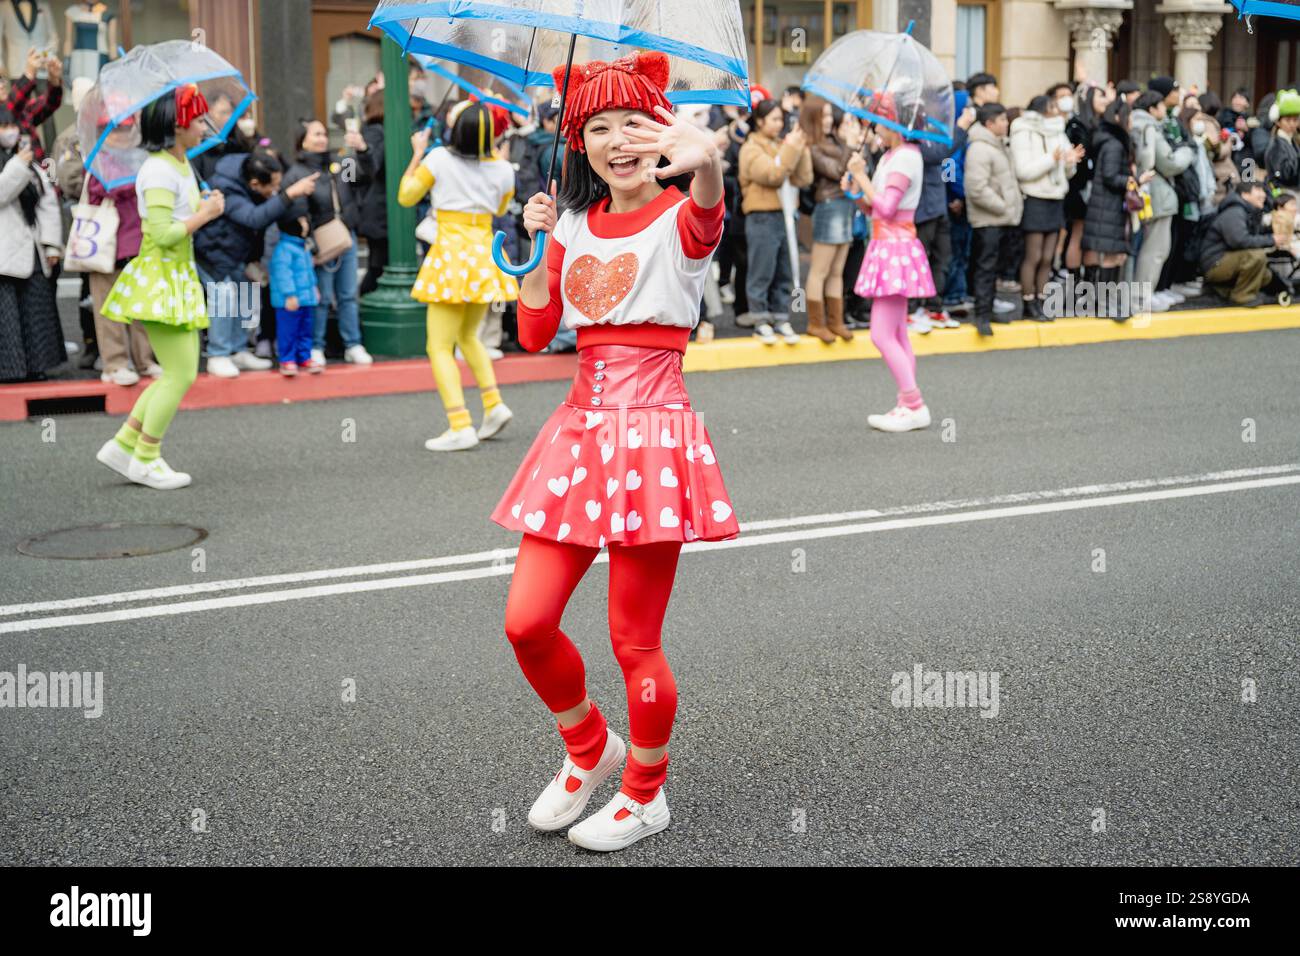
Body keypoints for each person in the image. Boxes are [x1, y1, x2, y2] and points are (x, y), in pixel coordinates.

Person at [492, 51, 740, 852]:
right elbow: (535, 334)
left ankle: (645, 791)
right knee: (527, 623)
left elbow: (707, 211)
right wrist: (531, 251)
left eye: (634, 122)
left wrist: (707, 166)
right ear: (580, 144)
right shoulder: (570, 221)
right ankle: (586, 748)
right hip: (579, 430)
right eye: (598, 127)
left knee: (634, 638)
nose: (618, 140)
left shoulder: (680, 217)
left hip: (655, 435)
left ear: (661, 130)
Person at [94, 86, 226, 490]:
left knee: (175, 372)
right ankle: (146, 457)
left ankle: (124, 445)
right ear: (177, 126)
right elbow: (162, 234)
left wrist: (203, 204)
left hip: (175, 277)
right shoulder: (157, 170)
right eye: (199, 119)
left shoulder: (179, 164)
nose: (205, 126)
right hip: (161, 277)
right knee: (181, 374)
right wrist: (204, 215)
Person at [397, 100, 517, 451]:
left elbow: (406, 196)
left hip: (451, 255)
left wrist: (418, 153)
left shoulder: (438, 160)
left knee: (438, 346)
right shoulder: (504, 170)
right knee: (469, 336)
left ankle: (459, 423)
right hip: (484, 255)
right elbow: (498, 208)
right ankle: (494, 405)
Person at [843, 94, 935, 432]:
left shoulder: (906, 158)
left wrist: (860, 176)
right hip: (889, 246)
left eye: (879, 119)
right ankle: (906, 403)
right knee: (897, 333)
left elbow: (885, 208)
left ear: (895, 122)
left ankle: (913, 404)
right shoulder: (893, 156)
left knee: (881, 335)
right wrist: (856, 186)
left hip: (894, 249)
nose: (875, 126)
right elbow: (873, 208)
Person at [195, 151, 320, 378]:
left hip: (238, 252)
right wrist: (289, 194)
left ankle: (239, 349)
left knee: (247, 292)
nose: (274, 192)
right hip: (213, 252)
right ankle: (218, 354)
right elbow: (254, 218)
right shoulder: (226, 188)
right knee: (223, 296)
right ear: (254, 183)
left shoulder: (247, 176)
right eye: (272, 187)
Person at [282, 118, 376, 368]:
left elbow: (365, 176)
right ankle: (316, 345)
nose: (322, 138)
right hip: (320, 242)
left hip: (346, 237)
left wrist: (363, 151)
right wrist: (310, 237)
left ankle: (353, 343)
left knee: (347, 294)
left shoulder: (339, 163)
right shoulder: (298, 173)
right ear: (302, 140)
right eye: (316, 134)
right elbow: (295, 211)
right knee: (320, 296)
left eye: (324, 133)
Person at [738, 98, 811, 344]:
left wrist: (802, 147)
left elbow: (803, 178)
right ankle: (760, 319)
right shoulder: (751, 148)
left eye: (782, 119)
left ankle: (781, 318)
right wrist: (792, 148)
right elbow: (774, 175)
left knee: (784, 270)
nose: (780, 124)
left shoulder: (782, 144)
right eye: (775, 119)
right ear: (760, 121)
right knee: (762, 270)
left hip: (785, 215)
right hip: (761, 216)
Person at [0, 105, 63, 382]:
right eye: (3, 128)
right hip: (5, 251)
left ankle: (38, 366)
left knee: (36, 307)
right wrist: (17, 167)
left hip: (32, 247)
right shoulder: (18, 164)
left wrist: (51, 244)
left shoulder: (32, 165)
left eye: (12, 127)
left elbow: (48, 203)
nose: (10, 133)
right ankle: (10, 370)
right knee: (8, 314)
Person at [1011, 94, 1082, 319]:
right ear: (1041, 109)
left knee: (1049, 257)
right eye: (1052, 106)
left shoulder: (1058, 131)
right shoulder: (1023, 130)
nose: (1057, 110)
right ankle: (1027, 302)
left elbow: (1067, 172)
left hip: (1056, 197)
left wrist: (1069, 163)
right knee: (1034, 255)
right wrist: (1051, 159)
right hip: (1034, 198)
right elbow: (1023, 171)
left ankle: (1042, 300)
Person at [1131, 90, 1194, 313]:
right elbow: (1169, 163)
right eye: (1160, 106)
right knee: (1156, 249)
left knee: (1146, 247)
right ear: (1151, 109)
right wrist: (1187, 152)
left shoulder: (1134, 124)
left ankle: (1143, 294)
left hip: (1143, 192)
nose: (1163, 111)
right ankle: (1143, 296)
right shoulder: (1150, 129)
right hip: (1156, 195)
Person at [963, 103, 1023, 336]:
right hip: (988, 219)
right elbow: (976, 187)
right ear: (989, 124)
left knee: (994, 267)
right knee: (985, 268)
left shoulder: (1000, 145)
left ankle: (989, 309)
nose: (1006, 123)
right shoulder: (979, 148)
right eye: (1002, 120)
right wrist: (1003, 206)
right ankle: (982, 315)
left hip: (1002, 218)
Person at [1082, 100, 1145, 320]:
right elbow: (1109, 177)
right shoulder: (1114, 144)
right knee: (1111, 257)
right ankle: (1104, 304)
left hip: (1108, 207)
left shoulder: (1110, 141)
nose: (1132, 122)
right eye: (1129, 117)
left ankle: (1103, 303)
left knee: (1114, 256)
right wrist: (1133, 179)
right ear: (1118, 118)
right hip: (1108, 207)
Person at [802, 91, 854, 342]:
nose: (828, 119)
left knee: (837, 270)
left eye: (828, 115)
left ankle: (836, 321)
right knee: (820, 270)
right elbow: (835, 171)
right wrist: (850, 146)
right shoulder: (811, 144)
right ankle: (816, 322)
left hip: (845, 205)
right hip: (829, 204)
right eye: (823, 116)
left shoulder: (834, 139)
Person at [1199, 181, 1278, 307]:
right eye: (1258, 190)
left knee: (1265, 276)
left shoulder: (1249, 212)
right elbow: (1239, 241)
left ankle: (1222, 290)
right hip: (1214, 264)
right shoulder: (1234, 212)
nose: (1263, 195)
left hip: (1225, 261)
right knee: (1256, 256)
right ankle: (1242, 296)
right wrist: (1272, 240)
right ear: (1245, 194)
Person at [1062, 85, 1110, 279]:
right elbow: (1078, 160)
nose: (1105, 101)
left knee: (1092, 239)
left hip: (1097, 189)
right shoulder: (1076, 126)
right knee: (1078, 234)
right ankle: (1075, 288)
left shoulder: (1100, 124)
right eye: (1101, 96)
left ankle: (1089, 288)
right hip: (1080, 189)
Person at [269, 207, 320, 374]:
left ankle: (304, 356)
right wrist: (289, 295)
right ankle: (287, 359)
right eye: (302, 221)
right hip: (290, 301)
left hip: (306, 298)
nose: (306, 225)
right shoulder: (284, 249)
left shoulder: (302, 247)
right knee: (288, 331)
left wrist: (314, 289)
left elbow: (309, 273)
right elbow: (283, 274)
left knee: (305, 330)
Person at [3, 46, 61, 162]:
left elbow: (49, 104)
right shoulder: (8, 110)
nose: (2, 85)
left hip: (38, 174)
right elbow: (9, 110)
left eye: (2, 80)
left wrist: (54, 80)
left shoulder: (21, 112)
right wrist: (29, 73)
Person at [356, 89, 388, 297]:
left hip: (382, 212)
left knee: (379, 267)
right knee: (378, 269)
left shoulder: (380, 131)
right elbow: (371, 167)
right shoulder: (375, 131)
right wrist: (363, 150)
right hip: (379, 213)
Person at [1265, 89, 1300, 193]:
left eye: (1295, 120)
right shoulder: (1276, 145)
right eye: (1288, 120)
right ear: (1278, 122)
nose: (1292, 124)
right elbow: (1284, 174)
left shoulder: (1292, 141)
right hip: (1283, 194)